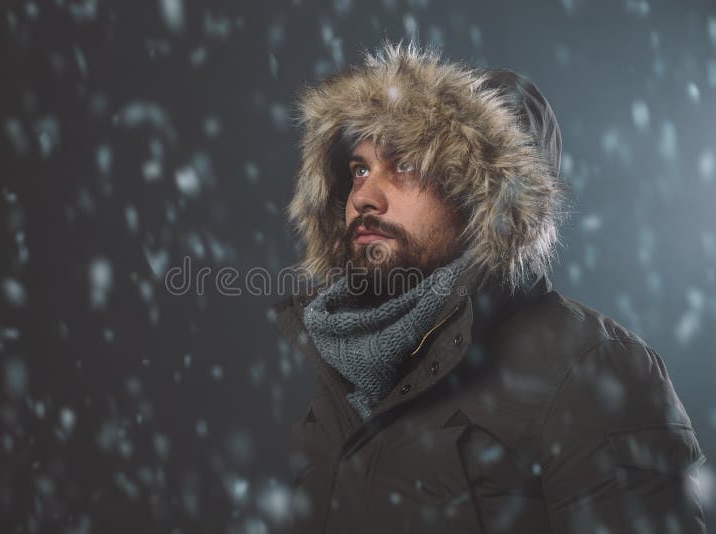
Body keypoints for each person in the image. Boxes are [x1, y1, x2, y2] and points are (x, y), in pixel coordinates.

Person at [272, 40, 706, 533]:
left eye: (405, 165)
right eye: (359, 169)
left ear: (482, 197)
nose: (364, 196)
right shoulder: (347, 361)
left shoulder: (595, 371)